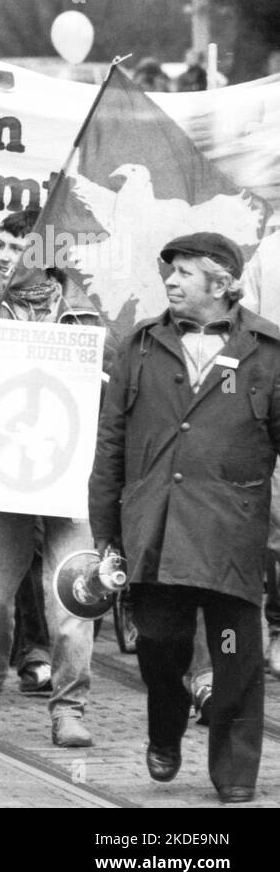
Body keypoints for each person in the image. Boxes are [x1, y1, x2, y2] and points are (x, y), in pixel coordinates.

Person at [91, 233, 276, 803]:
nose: (169, 281)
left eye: (183, 274)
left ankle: (235, 772)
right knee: (161, 644)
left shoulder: (269, 351)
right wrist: (107, 535)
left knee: (234, 655)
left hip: (232, 531)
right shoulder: (140, 344)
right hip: (156, 528)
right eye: (167, 271)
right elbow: (111, 442)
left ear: (221, 284)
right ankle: (165, 725)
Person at [0, 220, 110, 749]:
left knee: (77, 594)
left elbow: (119, 392)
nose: (4, 255)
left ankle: (70, 708)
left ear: (49, 251)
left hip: (70, 474)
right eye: (1, 245)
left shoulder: (90, 311)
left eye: (17, 246)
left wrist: (96, 381)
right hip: (3, 474)